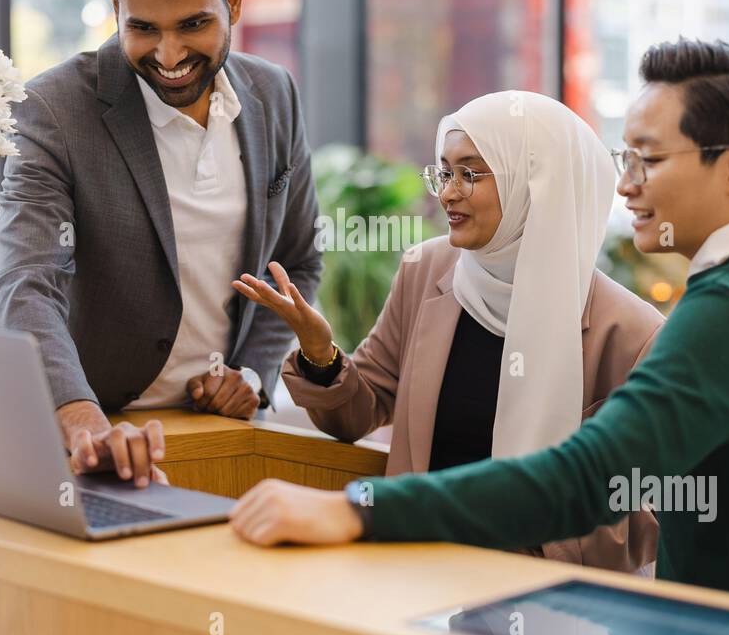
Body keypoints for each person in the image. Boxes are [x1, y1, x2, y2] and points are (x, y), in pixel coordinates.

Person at [229, 39, 729, 620]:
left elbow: (589, 478)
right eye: (624, 159)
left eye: (650, 160)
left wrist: (360, 510)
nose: (626, 186)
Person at [233, 91, 664, 574]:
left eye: (470, 173)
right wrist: (319, 353)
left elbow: (645, 519)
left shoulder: (631, 333)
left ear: (535, 183)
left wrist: (521, 529)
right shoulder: (427, 268)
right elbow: (359, 413)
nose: (448, 192)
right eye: (444, 171)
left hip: (544, 598)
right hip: (416, 573)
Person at [0, 0, 321, 488]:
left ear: (234, 1)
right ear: (116, 8)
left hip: (220, 439)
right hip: (100, 440)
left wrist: (251, 373)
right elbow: (24, 282)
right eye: (143, 29)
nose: (169, 56)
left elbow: (295, 260)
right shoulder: (55, 110)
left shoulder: (274, 95)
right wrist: (80, 417)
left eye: (193, 25)